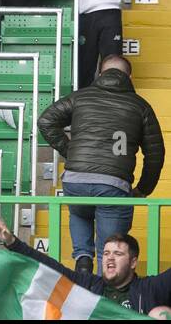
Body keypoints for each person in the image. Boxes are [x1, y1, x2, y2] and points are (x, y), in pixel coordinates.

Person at [37, 59, 163, 274]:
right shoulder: (140, 106)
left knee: (79, 213)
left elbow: (46, 121)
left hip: (76, 179)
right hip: (113, 184)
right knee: (111, 252)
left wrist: (72, 153)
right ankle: (104, 294)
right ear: (129, 78)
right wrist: (143, 189)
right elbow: (155, 154)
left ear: (99, 74)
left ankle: (83, 258)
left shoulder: (80, 96)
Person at [0, 218, 171, 313]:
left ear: (133, 262)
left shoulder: (149, 289)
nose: (109, 258)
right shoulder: (89, 285)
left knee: (161, 313)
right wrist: (12, 242)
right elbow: (51, 267)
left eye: (118, 254)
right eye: (106, 253)